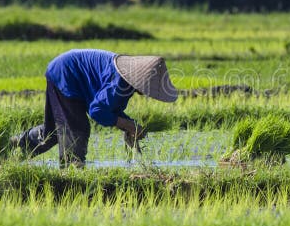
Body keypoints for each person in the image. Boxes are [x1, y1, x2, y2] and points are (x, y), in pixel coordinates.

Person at [12, 49, 178, 167]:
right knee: (76, 128)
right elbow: (97, 111)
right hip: (67, 74)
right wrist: (127, 125)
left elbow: (110, 108)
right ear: (142, 82)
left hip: (64, 70)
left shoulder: (127, 84)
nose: (148, 93)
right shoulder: (120, 84)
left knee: (54, 132)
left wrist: (130, 125)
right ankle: (72, 170)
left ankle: (10, 146)